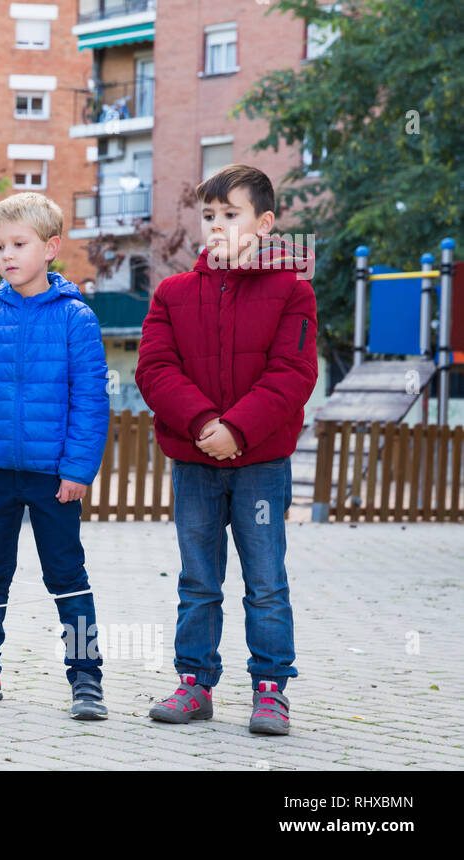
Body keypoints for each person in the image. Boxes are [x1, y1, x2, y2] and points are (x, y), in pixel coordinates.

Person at [135, 163, 318, 735]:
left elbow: (293, 373)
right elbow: (154, 369)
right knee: (197, 579)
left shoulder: (293, 290)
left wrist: (237, 429)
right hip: (194, 463)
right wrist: (201, 423)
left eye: (230, 215)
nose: (216, 226)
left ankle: (270, 689)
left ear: (264, 223)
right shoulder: (173, 292)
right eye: (208, 215)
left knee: (265, 580)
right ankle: (195, 684)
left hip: (261, 463)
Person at [0, 192, 110, 719]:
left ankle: (86, 678)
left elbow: (90, 400)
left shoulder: (77, 320)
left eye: (19, 244)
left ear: (50, 248)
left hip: (55, 476)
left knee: (67, 575)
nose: (7, 254)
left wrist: (78, 468)